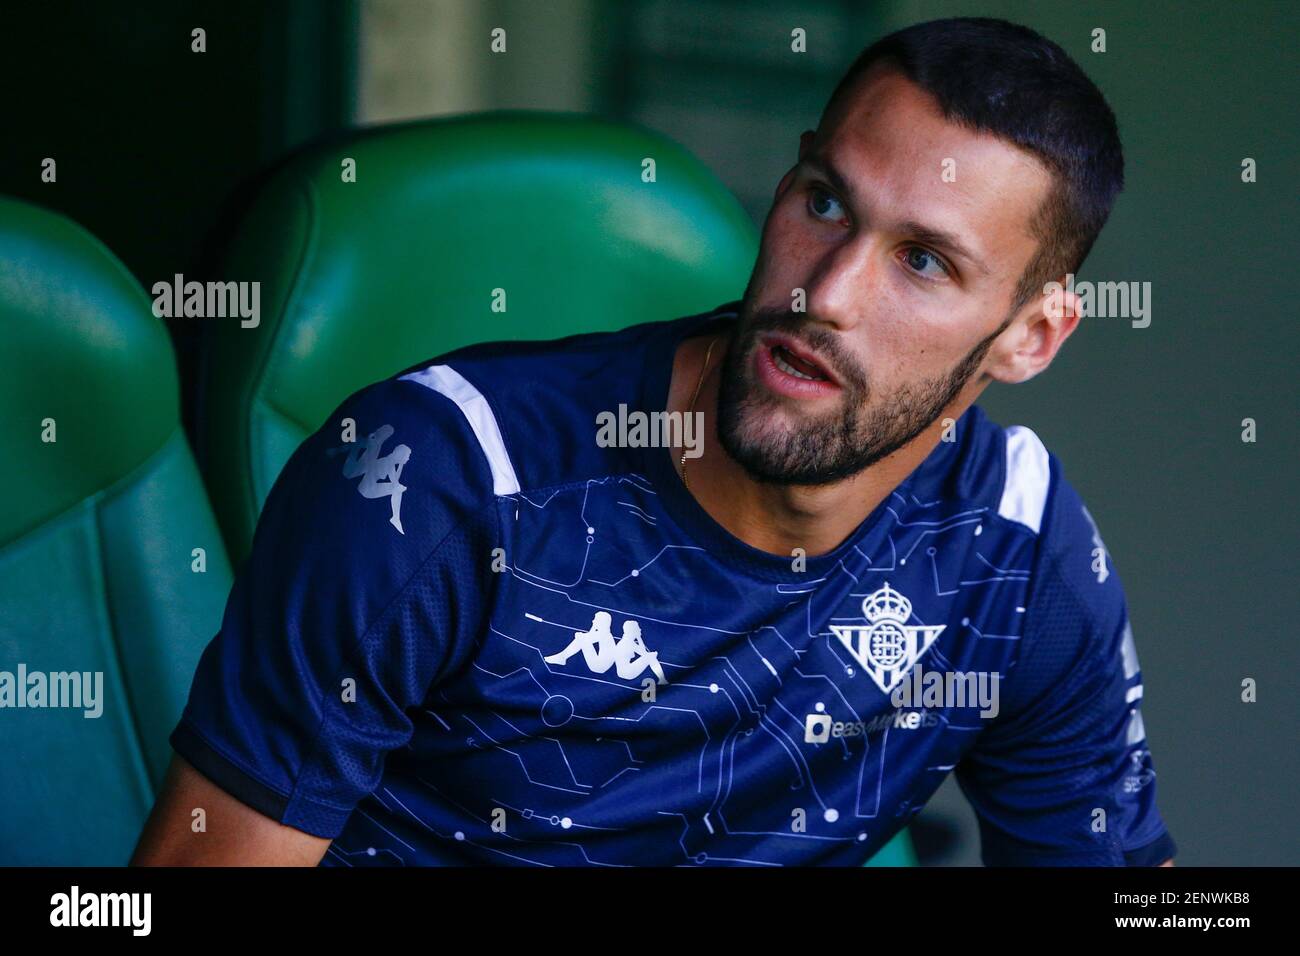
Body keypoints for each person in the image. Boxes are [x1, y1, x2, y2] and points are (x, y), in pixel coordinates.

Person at [133, 16, 1176, 866]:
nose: (827, 292)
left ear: (1030, 336)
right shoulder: (440, 479)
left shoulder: (1018, 548)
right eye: (823, 202)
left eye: (924, 263)